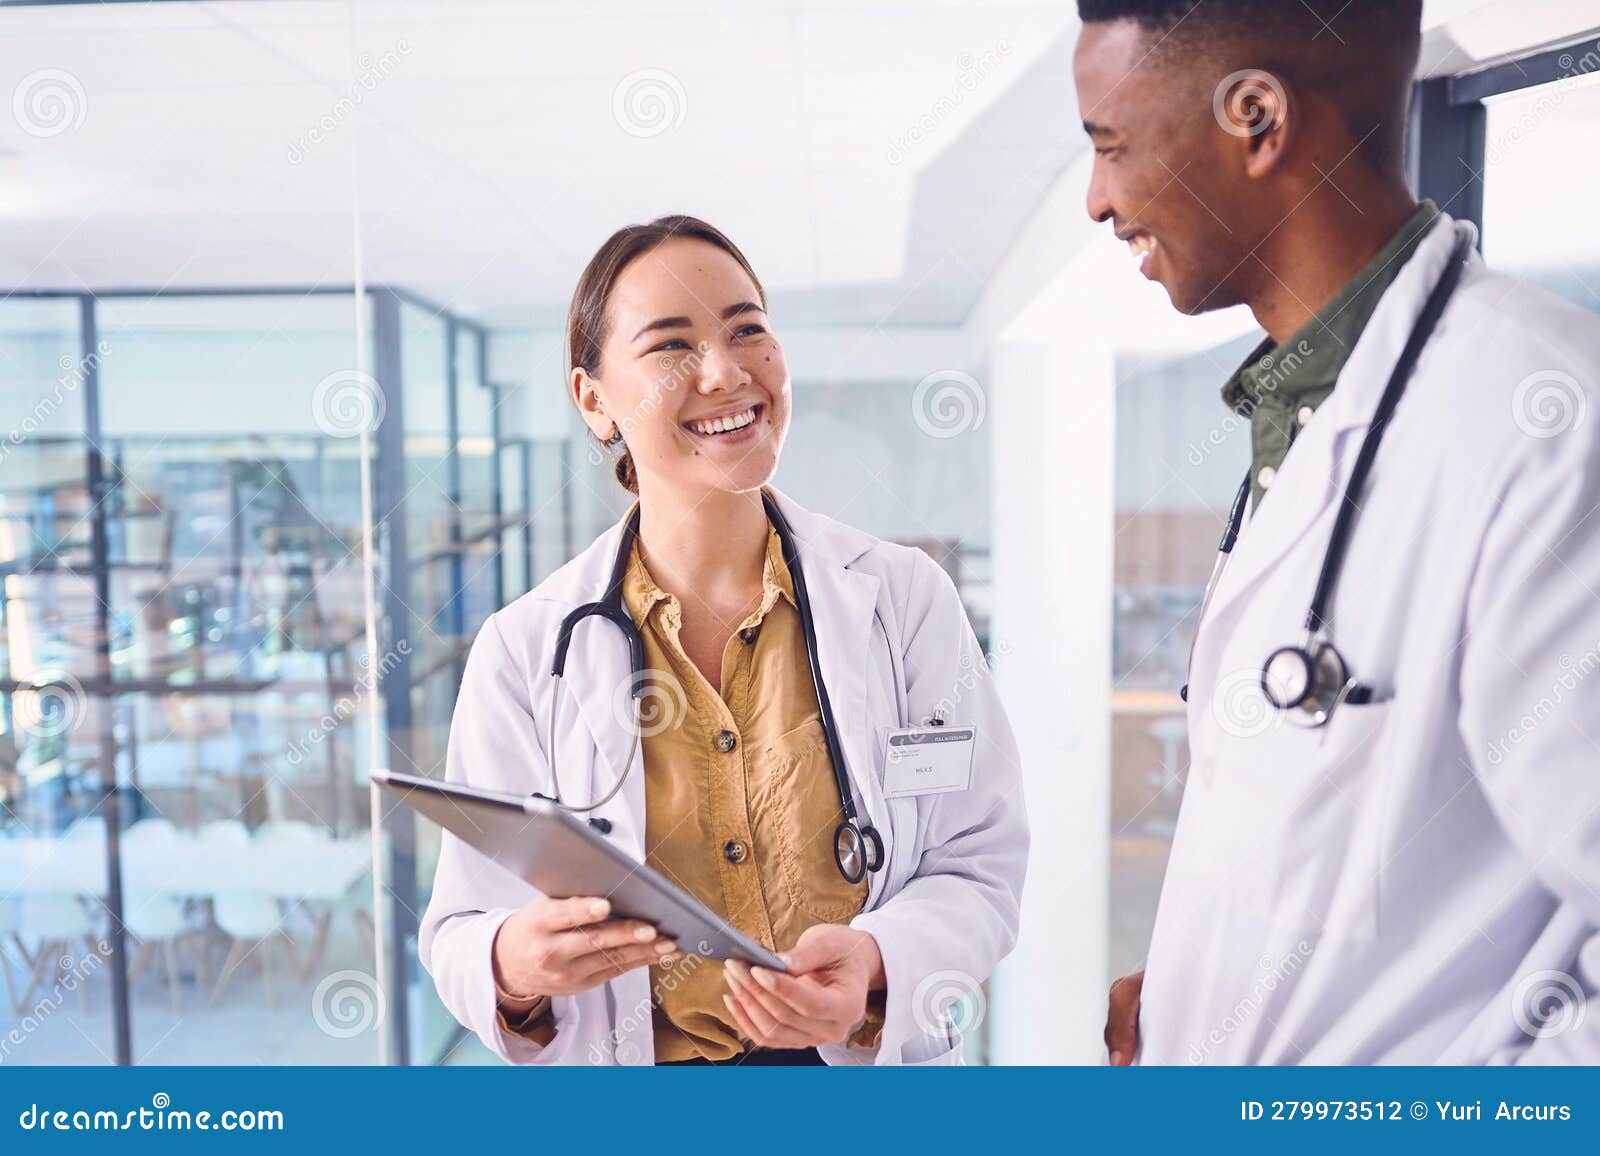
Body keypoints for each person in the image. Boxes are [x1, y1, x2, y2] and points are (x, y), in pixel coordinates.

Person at [1075, 0, 1600, 1063]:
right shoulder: (1306, 408)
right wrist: (1193, 988)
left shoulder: (1542, 423)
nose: (1099, 201)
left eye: (1111, 146)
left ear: (1257, 117)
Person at [419, 215, 1027, 1065]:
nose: (727, 371)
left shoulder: (902, 601)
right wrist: (513, 966)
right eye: (672, 346)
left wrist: (882, 960)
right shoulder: (524, 651)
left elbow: (981, 863)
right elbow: (459, 927)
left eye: (748, 330)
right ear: (595, 401)